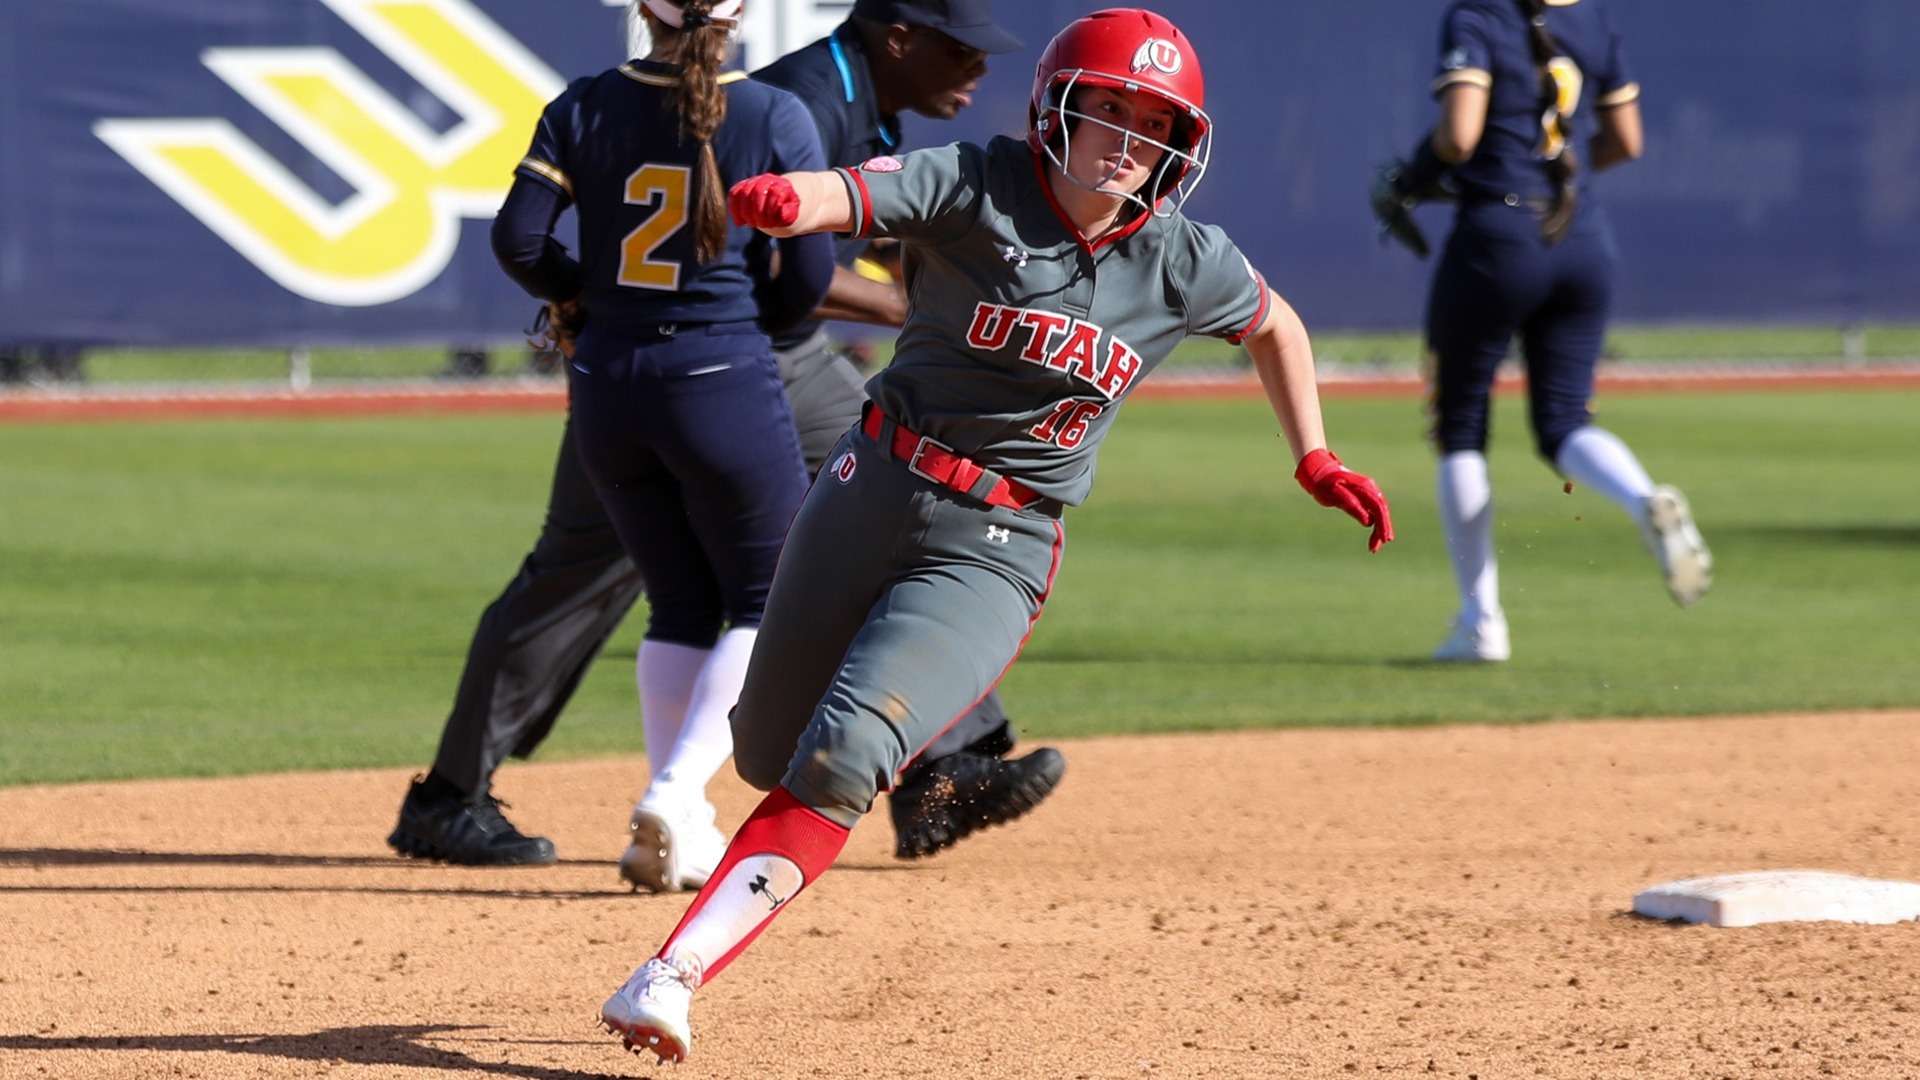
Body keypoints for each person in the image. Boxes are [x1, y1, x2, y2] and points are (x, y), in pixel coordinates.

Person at [598, 8, 1394, 1063]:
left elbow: (1274, 323)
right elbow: (869, 189)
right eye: (1106, 111)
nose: (1128, 140)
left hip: (998, 544)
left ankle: (670, 975)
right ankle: (749, 846)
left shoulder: (1184, 259)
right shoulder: (981, 181)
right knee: (765, 753)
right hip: (870, 484)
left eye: (1154, 123)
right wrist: (799, 204)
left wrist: (1315, 453)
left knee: (842, 756)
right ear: (1055, 110)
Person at [385, 0, 1062, 877]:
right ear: (900, 37)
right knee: (596, 566)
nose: (978, 68)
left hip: (684, 362)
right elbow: (793, 275)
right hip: (732, 365)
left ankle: (937, 763)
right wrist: (907, 307)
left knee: (892, 490)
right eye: (961, 48)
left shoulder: (852, 101)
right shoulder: (804, 101)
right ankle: (455, 794)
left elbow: (872, 240)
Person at [464, 0, 834, 897]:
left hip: (607, 385)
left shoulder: (584, 102)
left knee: (677, 604)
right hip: (722, 377)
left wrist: (583, 301)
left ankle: (680, 828)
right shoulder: (776, 114)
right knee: (769, 599)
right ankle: (676, 791)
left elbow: (517, 239)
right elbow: (812, 277)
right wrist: (751, 325)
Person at [1371, 0, 1711, 664]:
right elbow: (1627, 141)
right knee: (1562, 421)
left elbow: (1461, 135)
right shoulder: (1591, 17)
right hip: (1580, 233)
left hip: (1497, 235)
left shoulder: (1479, 14)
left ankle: (1481, 622)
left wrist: (1414, 177)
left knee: (1461, 425)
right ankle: (1643, 498)